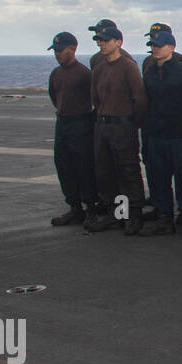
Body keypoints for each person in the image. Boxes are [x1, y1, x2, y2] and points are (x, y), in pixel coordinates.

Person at [139, 30, 182, 238]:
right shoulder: (149, 73)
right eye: (153, 45)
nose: (155, 48)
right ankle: (164, 218)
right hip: (157, 135)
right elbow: (147, 103)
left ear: (171, 47)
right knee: (158, 179)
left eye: (160, 45)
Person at [85, 25, 147, 234]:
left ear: (118, 42)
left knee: (128, 170)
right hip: (103, 125)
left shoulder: (128, 66)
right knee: (106, 171)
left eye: (105, 40)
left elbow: (139, 98)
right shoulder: (99, 67)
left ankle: (134, 215)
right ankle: (118, 214)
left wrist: (131, 123)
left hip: (123, 125)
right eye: (99, 40)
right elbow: (95, 97)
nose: (101, 43)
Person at [47, 31, 97, 226]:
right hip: (63, 122)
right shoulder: (56, 74)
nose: (57, 54)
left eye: (60, 50)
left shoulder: (84, 74)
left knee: (84, 166)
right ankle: (74, 206)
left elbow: (94, 97)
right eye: (55, 51)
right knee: (64, 164)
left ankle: (91, 207)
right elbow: (54, 96)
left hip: (81, 122)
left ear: (73, 49)